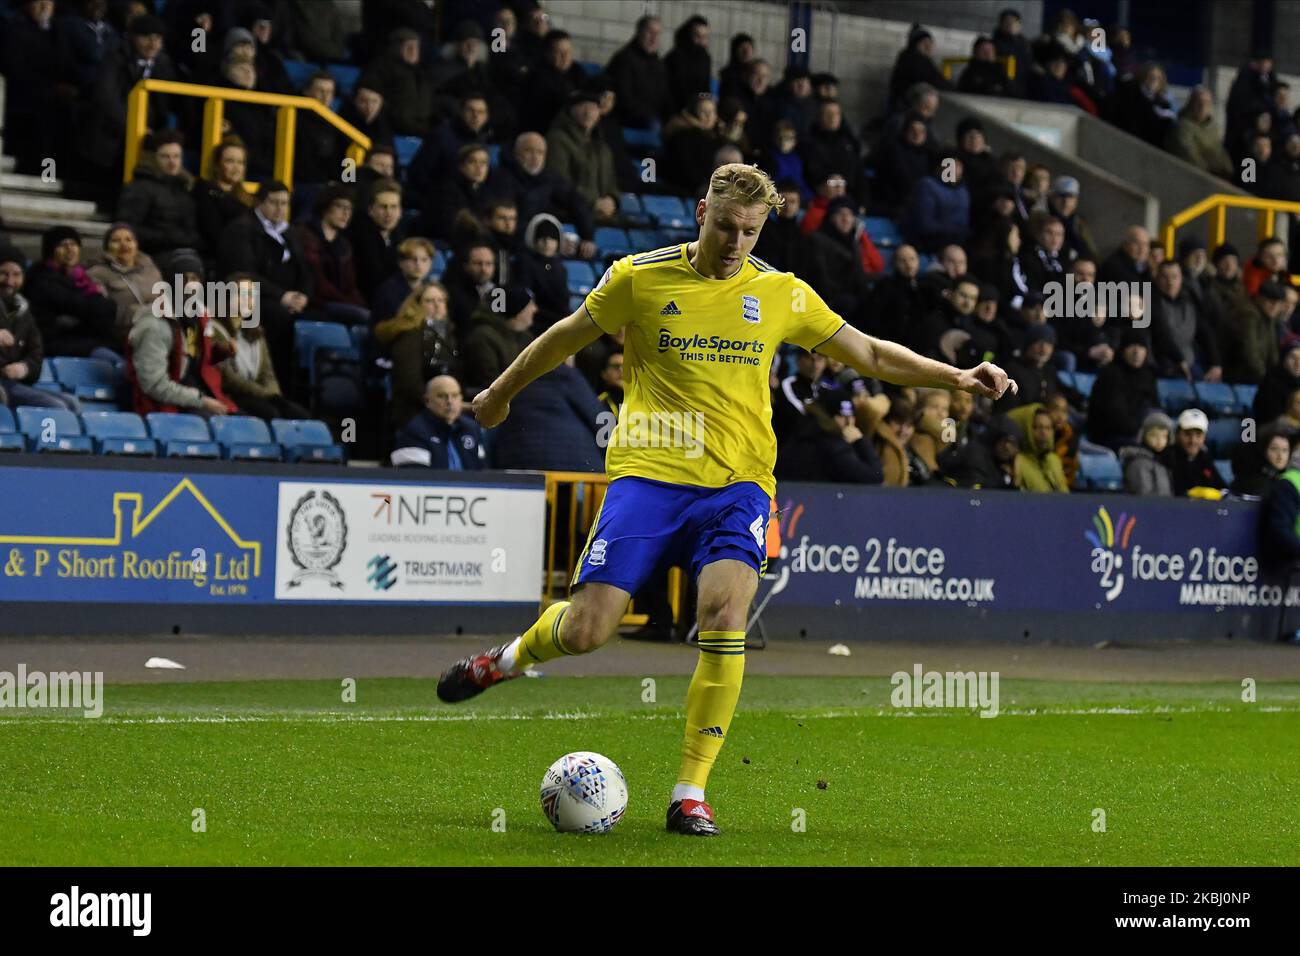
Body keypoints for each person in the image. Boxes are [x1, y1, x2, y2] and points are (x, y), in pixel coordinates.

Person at [435, 163, 1017, 836]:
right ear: (701, 213)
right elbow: (565, 336)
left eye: (750, 229)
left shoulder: (781, 293)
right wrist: (499, 394)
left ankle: (689, 793)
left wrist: (958, 376)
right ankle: (501, 663)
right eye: (726, 225)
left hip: (739, 485)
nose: (737, 240)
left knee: (723, 614)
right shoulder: (639, 277)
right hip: (648, 478)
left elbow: (872, 355)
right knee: (588, 630)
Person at [0, 246, 79, 413]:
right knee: (56, 407)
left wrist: (23, 369)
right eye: (3, 273)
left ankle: (57, 440)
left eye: (16, 274)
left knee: (72, 403)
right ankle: (44, 439)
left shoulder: (24, 312)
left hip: (16, 383)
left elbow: (36, 356)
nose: (9, 281)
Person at [375, 282, 461, 428]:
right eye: (429, 301)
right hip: (415, 410)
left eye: (440, 300)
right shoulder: (409, 335)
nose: (436, 305)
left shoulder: (448, 334)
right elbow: (410, 382)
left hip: (445, 405)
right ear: (416, 305)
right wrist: (437, 402)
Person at [86, 223, 163, 344]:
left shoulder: (151, 270)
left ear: (136, 245)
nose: (124, 244)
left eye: (129, 239)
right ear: (107, 247)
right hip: (121, 334)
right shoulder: (97, 274)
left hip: (156, 328)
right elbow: (102, 312)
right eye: (116, 241)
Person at [391, 374, 485, 469]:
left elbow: (482, 472)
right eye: (442, 396)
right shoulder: (414, 432)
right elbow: (415, 479)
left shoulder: (471, 428)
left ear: (461, 398)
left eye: (455, 395)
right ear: (427, 400)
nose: (449, 401)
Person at [1167, 408, 1227, 496]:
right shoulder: (1168, 457)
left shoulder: (1204, 458)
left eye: (1198, 435)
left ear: (1204, 437)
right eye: (1187, 434)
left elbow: (1223, 489)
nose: (1193, 441)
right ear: (1178, 434)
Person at [1120, 411, 1175, 496]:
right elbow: (1143, 498)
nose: (1159, 441)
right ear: (1143, 436)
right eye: (1154, 435)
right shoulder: (1139, 463)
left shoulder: (1163, 461)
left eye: (1164, 436)